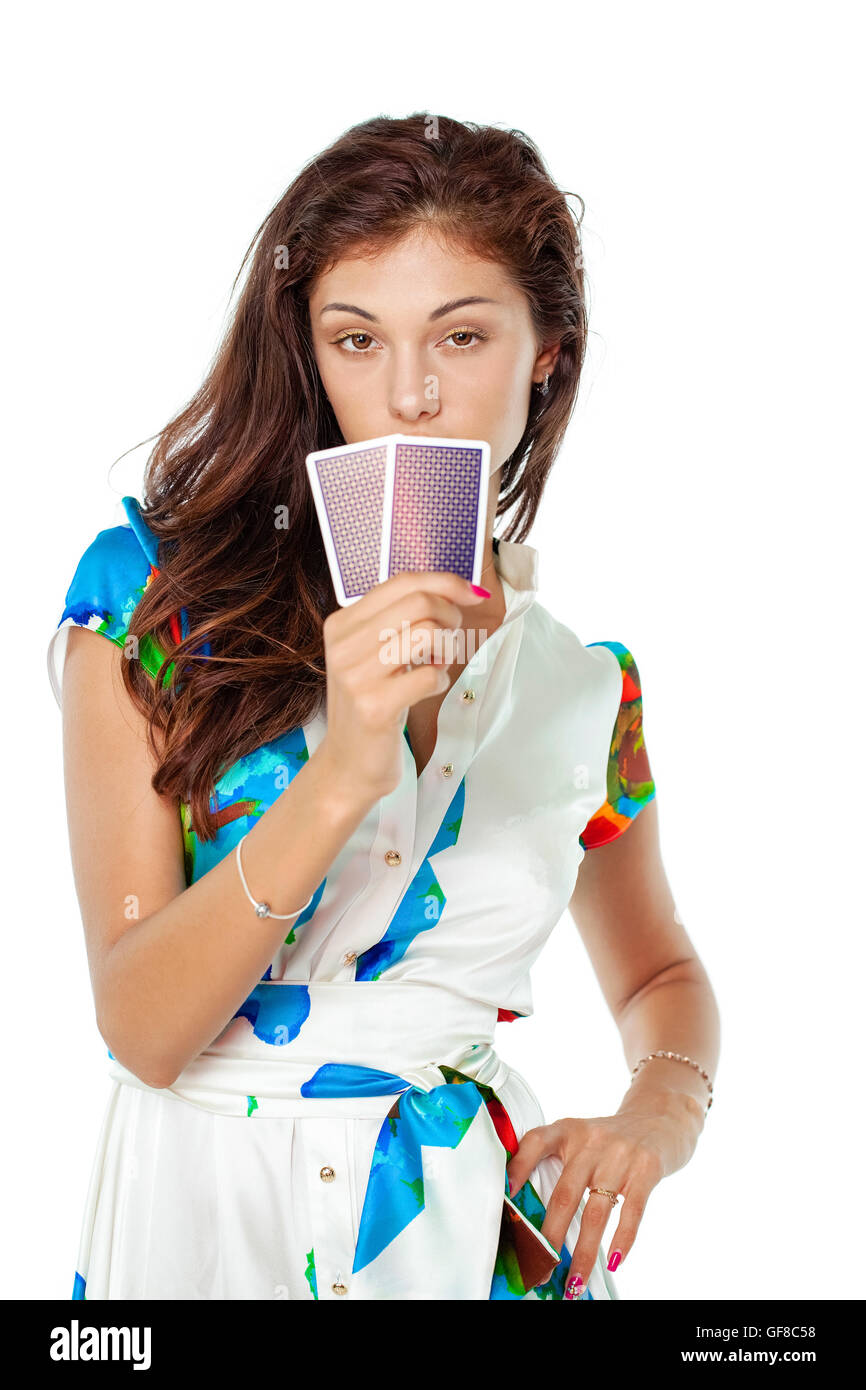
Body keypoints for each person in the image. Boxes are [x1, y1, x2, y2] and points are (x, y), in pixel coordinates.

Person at [47, 112, 720, 1301]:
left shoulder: (582, 687)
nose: (408, 395)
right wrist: (346, 764)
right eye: (355, 340)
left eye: (460, 336)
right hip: (204, 1231)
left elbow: (656, 972)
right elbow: (143, 1029)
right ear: (308, 354)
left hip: (470, 1241)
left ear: (546, 349)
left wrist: (655, 1116)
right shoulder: (149, 601)